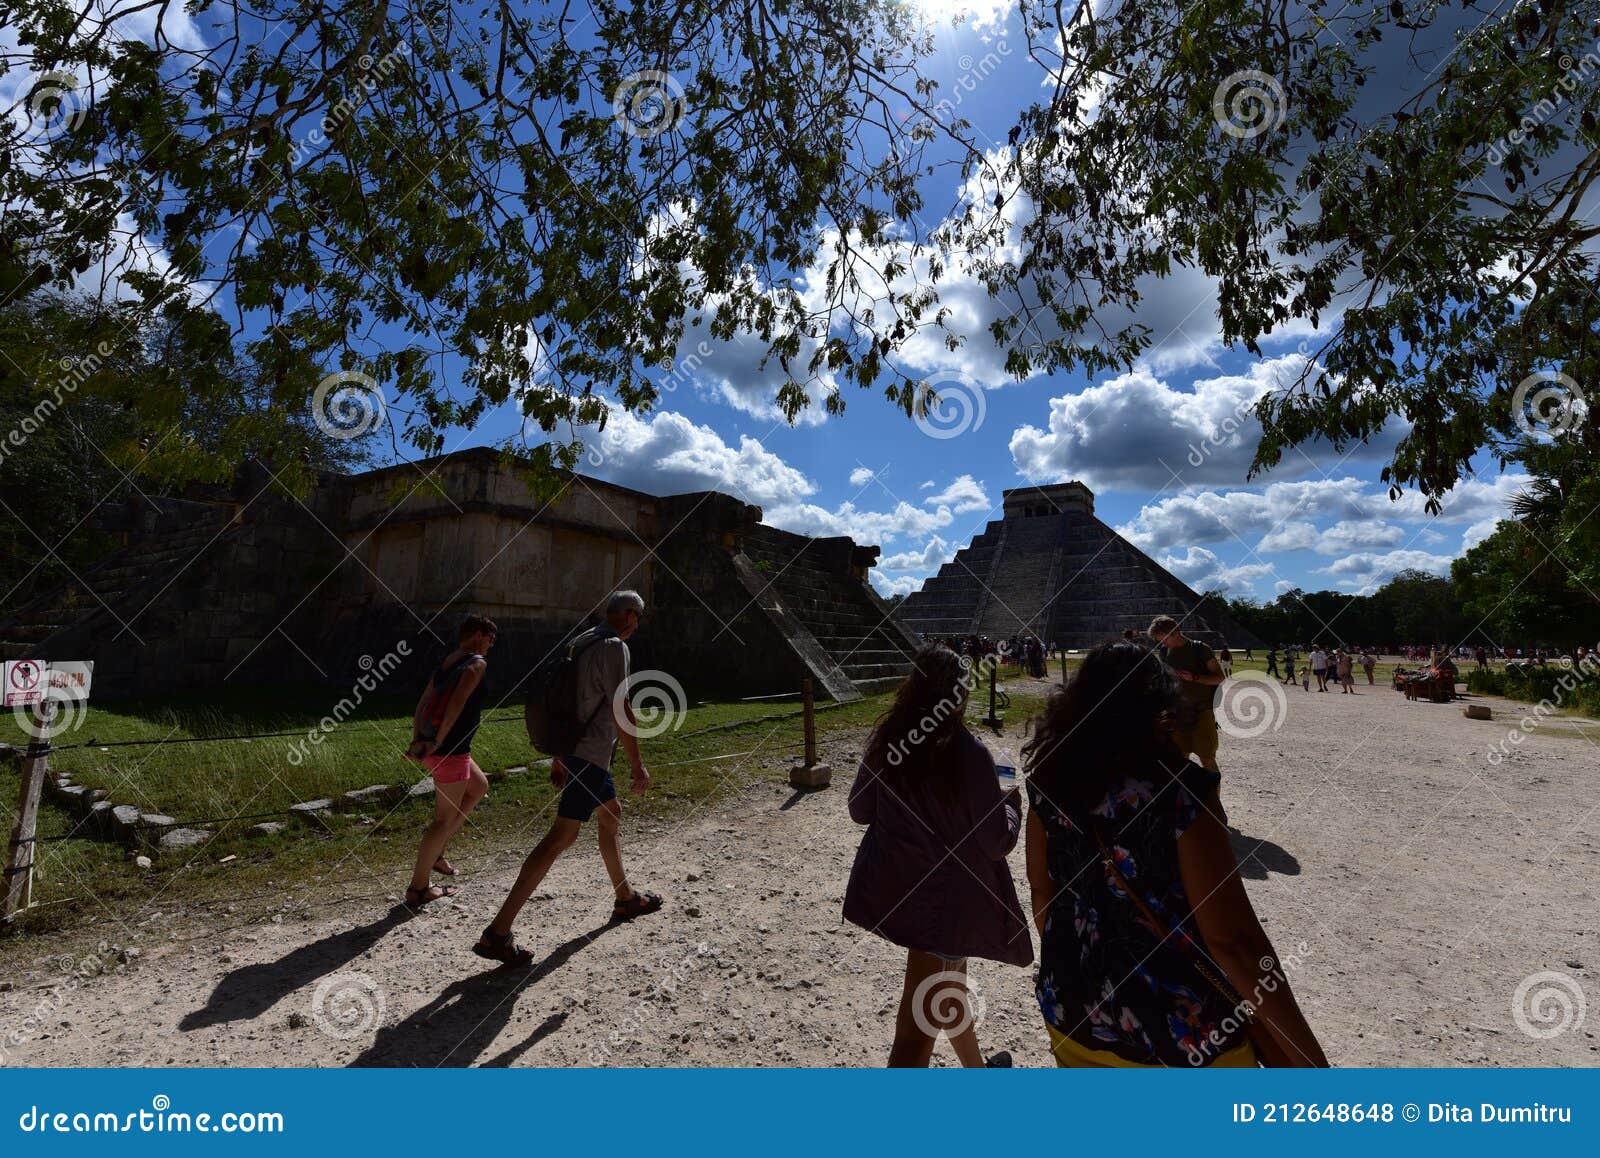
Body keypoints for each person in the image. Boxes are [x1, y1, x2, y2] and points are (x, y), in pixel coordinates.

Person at [1022, 640, 1328, 1068]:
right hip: (1181, 1033)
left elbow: (1043, 895)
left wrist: (1088, 972)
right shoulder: (1182, 793)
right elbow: (1233, 941)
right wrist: (1310, 1063)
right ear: (1160, 705)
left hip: (1072, 1011)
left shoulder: (1049, 783)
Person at [844, 644, 1031, 1068]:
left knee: (947, 990)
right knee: (914, 1033)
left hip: (900, 887)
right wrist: (1011, 806)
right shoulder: (970, 754)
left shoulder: (888, 740)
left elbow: (859, 810)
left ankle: (978, 1070)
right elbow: (995, 843)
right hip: (944, 903)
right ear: (960, 693)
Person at [473, 591, 662, 964]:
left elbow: (563, 701)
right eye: (637, 618)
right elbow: (621, 706)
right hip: (589, 755)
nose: (637, 626)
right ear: (629, 615)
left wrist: (561, 754)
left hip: (577, 751)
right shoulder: (614, 646)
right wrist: (637, 764)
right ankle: (498, 932)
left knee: (611, 814)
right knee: (562, 835)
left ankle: (625, 897)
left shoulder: (582, 640)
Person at [403, 615, 496, 908]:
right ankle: (419, 888)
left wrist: (418, 739)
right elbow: (456, 705)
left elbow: (423, 701)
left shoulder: (448, 662)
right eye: (491, 638)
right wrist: (437, 742)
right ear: (479, 634)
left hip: (443, 748)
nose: (491, 644)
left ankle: (438, 854)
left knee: (479, 787)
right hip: (450, 751)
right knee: (442, 820)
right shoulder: (476, 663)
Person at [1147, 616, 1225, 774]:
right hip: (1176, 714)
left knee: (1207, 759)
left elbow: (1220, 678)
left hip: (1201, 712)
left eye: (1164, 639)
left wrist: (1195, 677)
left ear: (1176, 632)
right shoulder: (1164, 652)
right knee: (1179, 759)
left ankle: (1213, 791)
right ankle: (1183, 791)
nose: (1163, 643)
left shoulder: (1200, 649)